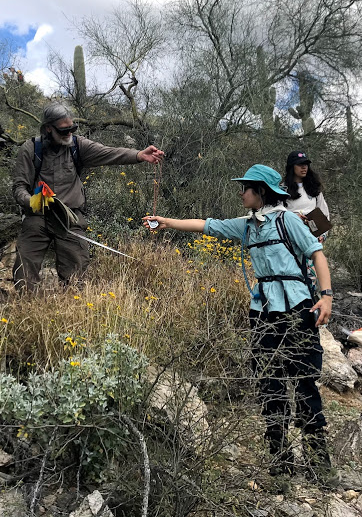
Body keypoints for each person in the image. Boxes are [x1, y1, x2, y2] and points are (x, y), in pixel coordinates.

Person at [142, 164, 334, 479]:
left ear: (260, 191)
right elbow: (208, 226)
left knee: (304, 382)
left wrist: (326, 296)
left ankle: (318, 463)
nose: (241, 193)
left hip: (298, 308)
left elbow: (317, 254)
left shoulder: (287, 220)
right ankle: (280, 460)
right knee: (269, 382)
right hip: (262, 312)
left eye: (245, 188)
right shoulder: (247, 226)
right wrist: (166, 222)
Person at [12, 102, 164, 290]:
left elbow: (109, 153)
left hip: (71, 218)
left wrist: (140, 155)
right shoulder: (31, 149)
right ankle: (27, 303)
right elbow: (19, 188)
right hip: (37, 216)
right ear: (48, 128)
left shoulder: (78, 145)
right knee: (24, 271)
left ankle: (72, 304)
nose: (69, 133)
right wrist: (33, 201)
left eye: (72, 128)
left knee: (76, 275)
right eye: (64, 130)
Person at [284, 150, 329, 229]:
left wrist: (323, 233)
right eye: (299, 164)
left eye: (306, 164)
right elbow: (279, 215)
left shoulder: (314, 187)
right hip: (291, 231)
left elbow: (323, 211)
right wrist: (295, 217)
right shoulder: (282, 189)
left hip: (312, 233)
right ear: (291, 166)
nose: (304, 167)